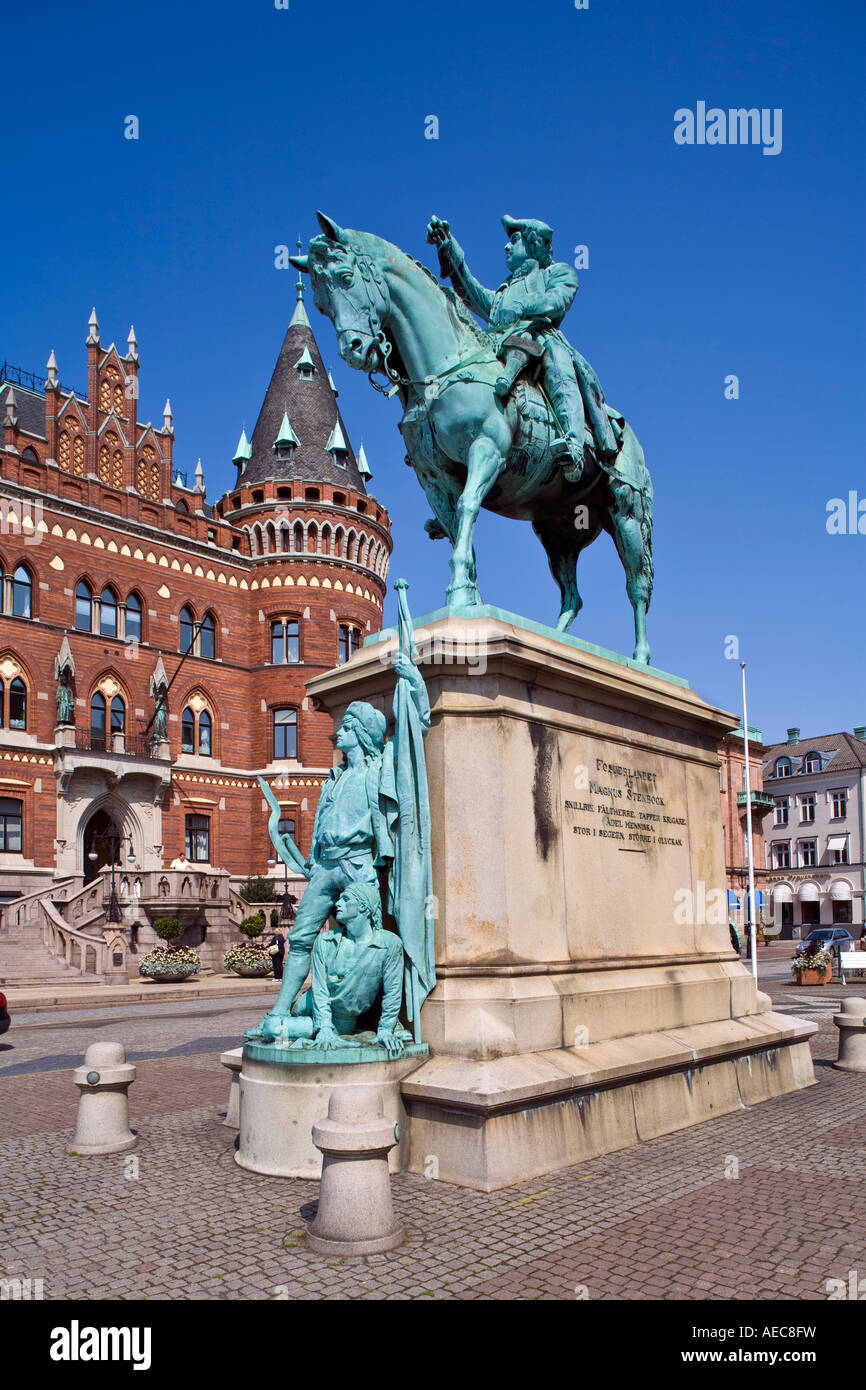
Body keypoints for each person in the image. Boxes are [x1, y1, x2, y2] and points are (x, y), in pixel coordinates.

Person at [250, 652, 429, 1043]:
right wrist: (307, 860)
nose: (339, 732)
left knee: (373, 941)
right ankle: (279, 1010)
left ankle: (384, 1021)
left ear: (362, 734)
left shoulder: (378, 768)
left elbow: (416, 732)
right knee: (300, 937)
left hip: (359, 864)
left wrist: (412, 682)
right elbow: (321, 829)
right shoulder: (333, 778)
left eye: (346, 726)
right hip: (326, 865)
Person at [426, 213, 619, 482]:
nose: (506, 246)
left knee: (559, 363)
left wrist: (525, 306)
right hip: (499, 346)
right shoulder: (504, 292)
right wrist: (449, 248)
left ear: (533, 244)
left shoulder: (559, 271)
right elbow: (471, 292)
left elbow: (558, 301)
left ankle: (574, 447)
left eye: (514, 240)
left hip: (539, 337)